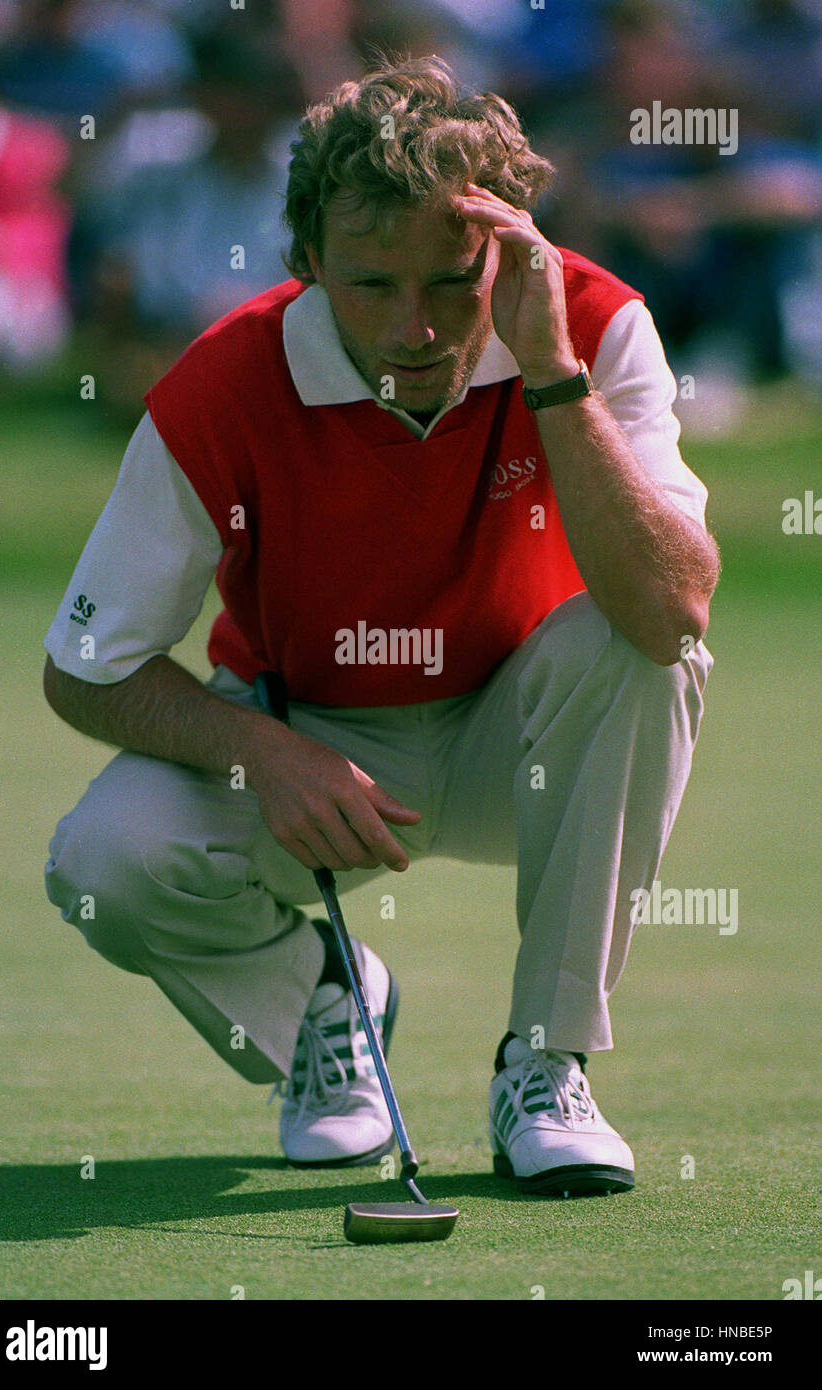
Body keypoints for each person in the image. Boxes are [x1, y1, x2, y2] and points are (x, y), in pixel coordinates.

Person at [42, 57, 719, 1198]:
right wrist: (262, 750)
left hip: (525, 742)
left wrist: (549, 372)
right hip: (305, 752)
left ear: (504, 252)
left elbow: (670, 609)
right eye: (369, 284)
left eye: (453, 282)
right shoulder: (223, 385)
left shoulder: (595, 328)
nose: (413, 328)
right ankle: (323, 988)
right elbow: (82, 668)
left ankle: (543, 1064)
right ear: (305, 261)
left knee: (643, 648)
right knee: (104, 856)